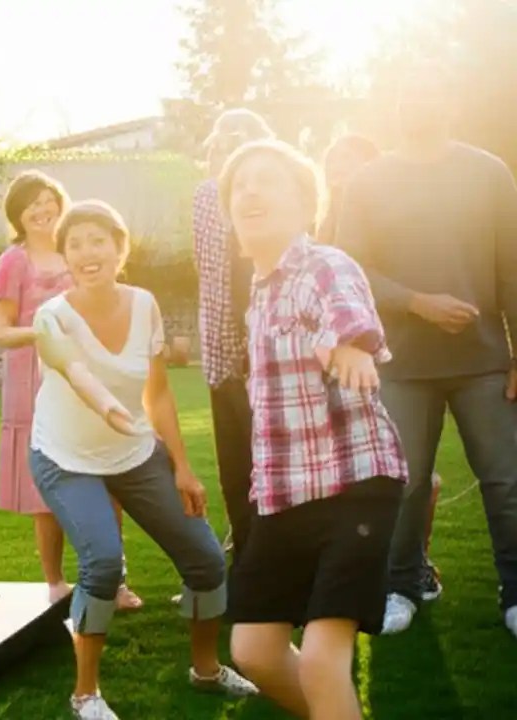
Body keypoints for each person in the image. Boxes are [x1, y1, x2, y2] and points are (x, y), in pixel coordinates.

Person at [29, 200, 256, 719]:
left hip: (133, 452)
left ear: (119, 247)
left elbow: (158, 393)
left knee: (206, 559)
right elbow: (76, 374)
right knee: (104, 563)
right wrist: (108, 407)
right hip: (66, 458)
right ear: (65, 255)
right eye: (75, 243)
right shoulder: (52, 316)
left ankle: (205, 671)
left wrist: (181, 464)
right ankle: (85, 694)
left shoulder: (144, 304)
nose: (87, 252)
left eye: (97, 240)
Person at [219, 139, 407, 720]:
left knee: (325, 660)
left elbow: (344, 314)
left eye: (266, 180)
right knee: (253, 648)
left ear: (306, 206)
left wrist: (352, 347)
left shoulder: (323, 264)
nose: (249, 190)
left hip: (353, 483)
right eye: (239, 184)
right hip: (285, 493)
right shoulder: (256, 297)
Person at [335, 67, 517, 638]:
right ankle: (400, 585)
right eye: (410, 92)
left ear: (451, 103)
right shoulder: (366, 182)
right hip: (402, 364)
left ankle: (516, 592)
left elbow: (512, 266)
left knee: (507, 479)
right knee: (405, 484)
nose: (421, 101)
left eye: (433, 91)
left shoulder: (489, 173)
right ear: (395, 106)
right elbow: (350, 268)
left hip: (485, 362)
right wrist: (416, 301)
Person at [0, 170, 142, 608]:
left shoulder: (78, 250)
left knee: (105, 473)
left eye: (48, 200)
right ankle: (55, 583)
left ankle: (114, 582)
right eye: (31, 203)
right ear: (18, 214)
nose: (41, 210)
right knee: (47, 485)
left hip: (89, 379)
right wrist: (46, 332)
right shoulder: (11, 262)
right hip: (33, 383)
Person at [319, 133, 447, 581]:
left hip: (388, 360)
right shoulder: (317, 225)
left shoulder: (385, 221)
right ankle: (358, 566)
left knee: (403, 464)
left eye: (349, 162)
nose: (339, 170)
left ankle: (415, 564)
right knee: (343, 469)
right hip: (330, 365)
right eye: (332, 161)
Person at [192, 108, 275, 560]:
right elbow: (212, 277)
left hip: (259, 352)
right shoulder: (207, 197)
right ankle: (248, 552)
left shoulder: (266, 199)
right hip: (230, 354)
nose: (226, 151)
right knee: (242, 463)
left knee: (262, 462)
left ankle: (264, 555)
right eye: (222, 144)